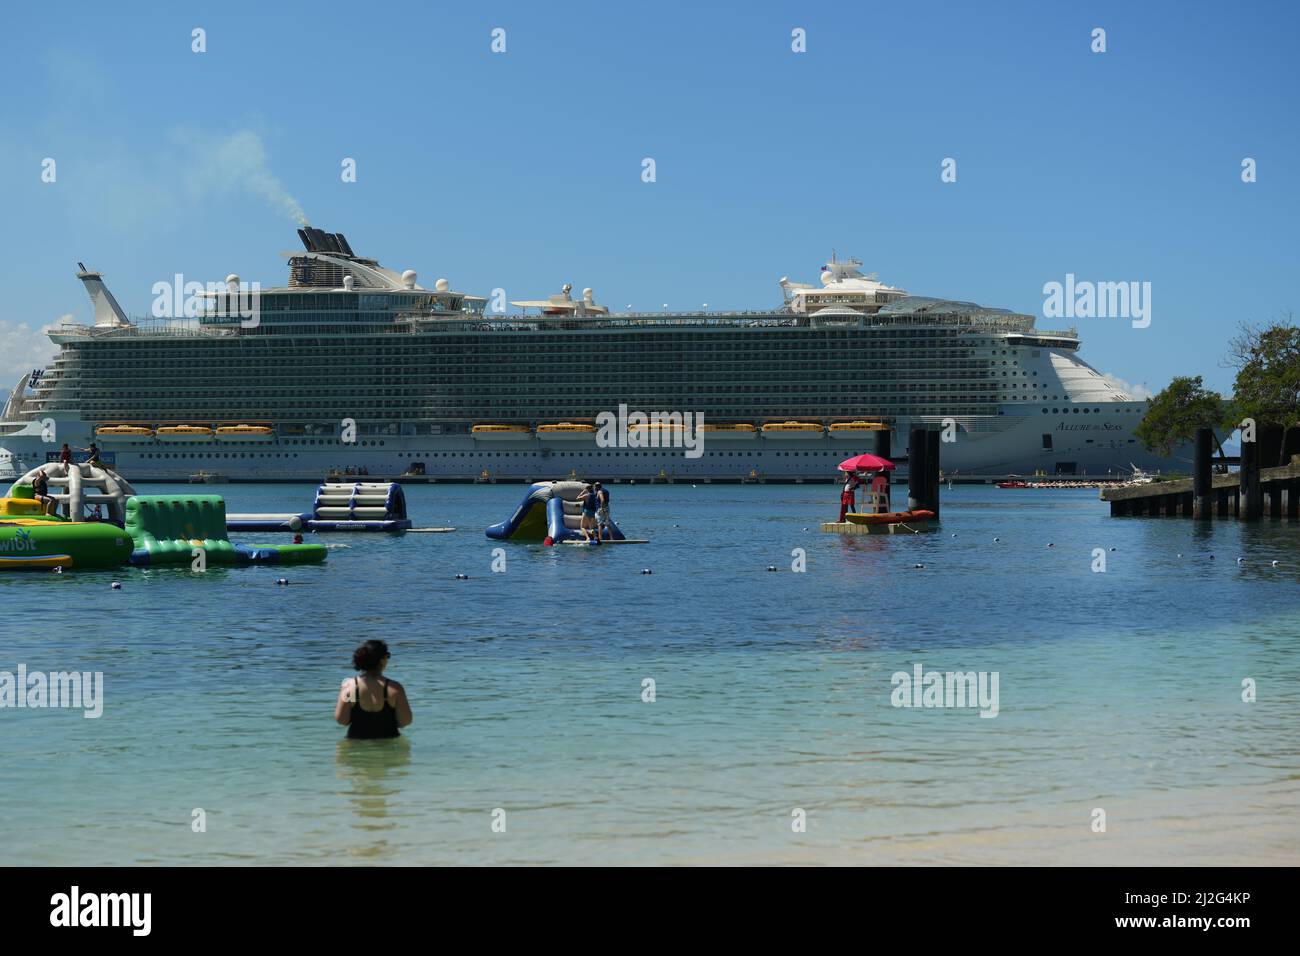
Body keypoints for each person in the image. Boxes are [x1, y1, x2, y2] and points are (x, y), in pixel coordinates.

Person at [335, 640, 412, 740]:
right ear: (382, 660)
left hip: (356, 744)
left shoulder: (350, 687)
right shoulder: (394, 688)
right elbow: (405, 722)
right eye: (387, 656)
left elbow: (342, 721)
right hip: (388, 744)